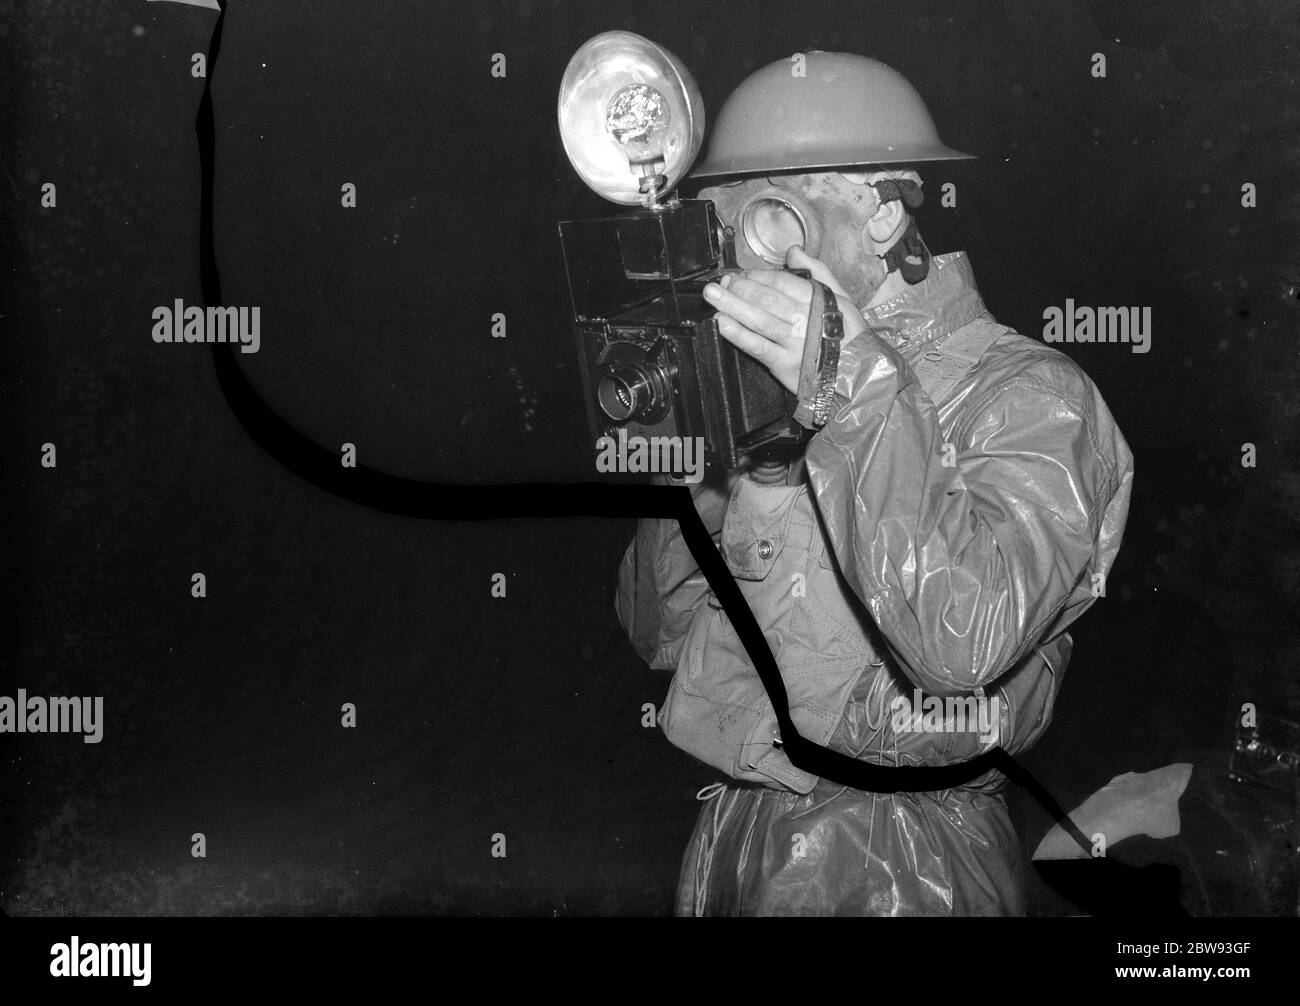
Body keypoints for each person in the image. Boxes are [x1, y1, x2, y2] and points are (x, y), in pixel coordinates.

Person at [614, 51, 1134, 915]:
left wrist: (852, 389)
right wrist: (688, 450)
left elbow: (964, 642)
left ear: (886, 216)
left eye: (774, 213)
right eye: (723, 220)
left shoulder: (1033, 396)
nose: (746, 251)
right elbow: (659, 638)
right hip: (735, 837)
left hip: (908, 861)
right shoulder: (763, 401)